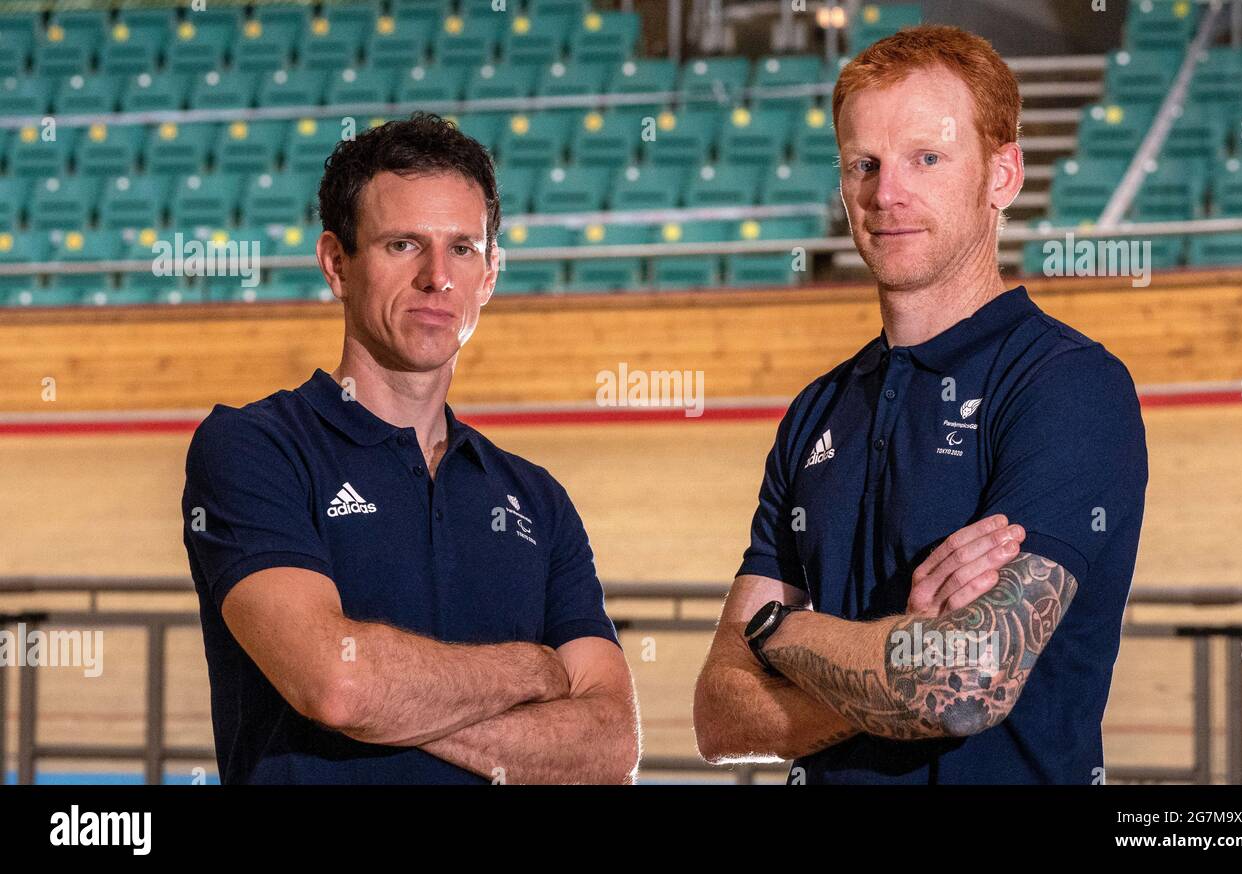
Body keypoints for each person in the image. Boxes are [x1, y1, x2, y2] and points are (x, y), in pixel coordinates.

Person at [693, 25, 1148, 784]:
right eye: (862, 164)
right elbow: (717, 714)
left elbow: (969, 684)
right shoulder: (816, 411)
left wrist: (781, 633)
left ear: (1003, 176)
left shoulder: (1069, 386)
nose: (886, 193)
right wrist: (903, 649)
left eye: (926, 158)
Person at [182, 113, 641, 784]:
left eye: (464, 248)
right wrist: (532, 671)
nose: (437, 277)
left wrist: (397, 700)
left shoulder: (537, 500)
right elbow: (338, 685)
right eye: (403, 244)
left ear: (488, 276)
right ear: (337, 264)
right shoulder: (254, 448)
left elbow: (610, 744)